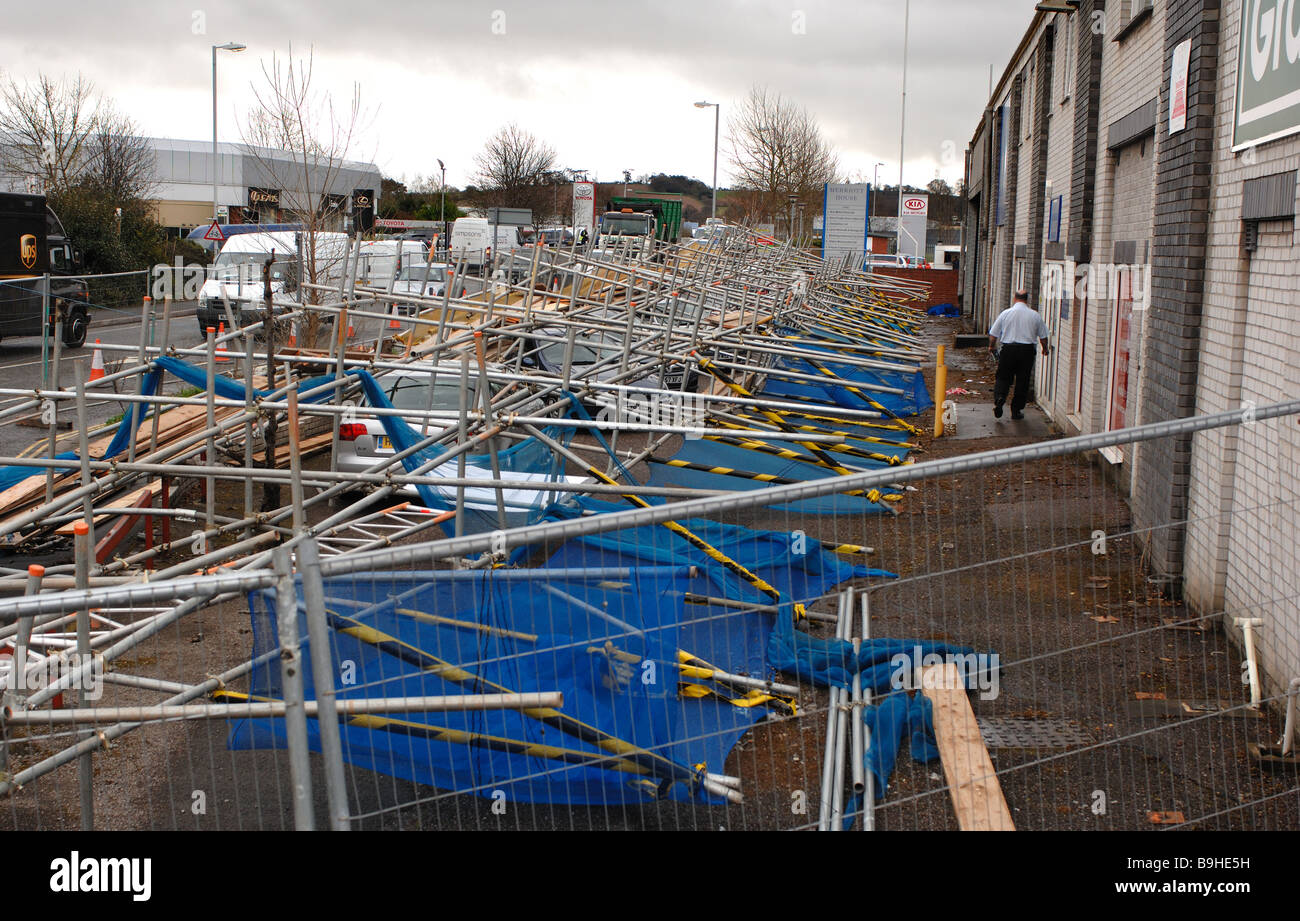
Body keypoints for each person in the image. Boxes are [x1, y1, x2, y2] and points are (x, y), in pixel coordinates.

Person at [988, 289, 1050, 420]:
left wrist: (991, 346)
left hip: (1008, 350)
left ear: (1014, 298)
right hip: (1026, 352)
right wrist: (1045, 348)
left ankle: (999, 398)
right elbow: (1043, 336)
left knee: (1003, 377)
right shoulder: (1035, 315)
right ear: (1026, 300)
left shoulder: (1006, 313)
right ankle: (1016, 410)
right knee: (1023, 381)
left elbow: (993, 334)